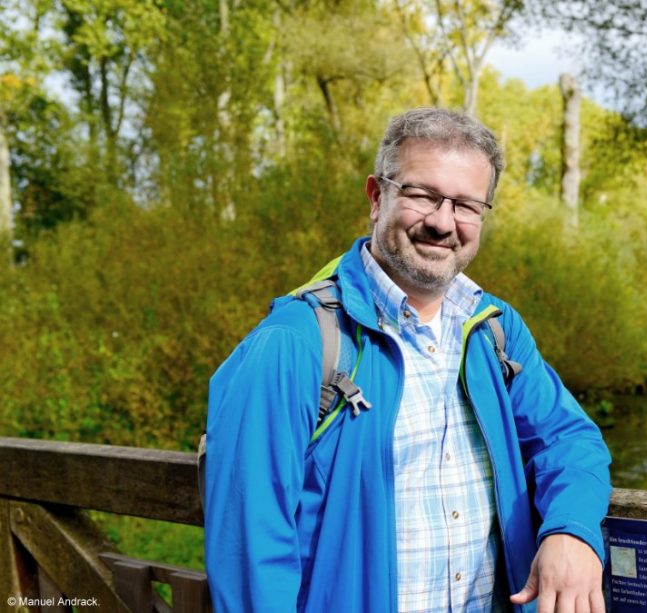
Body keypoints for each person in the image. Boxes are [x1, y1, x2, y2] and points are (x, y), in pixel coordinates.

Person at [204, 107, 612, 612]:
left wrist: (571, 531)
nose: (443, 223)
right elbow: (250, 550)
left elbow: (568, 438)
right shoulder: (295, 343)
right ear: (377, 197)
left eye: (466, 205)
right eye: (422, 195)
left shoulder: (492, 329)